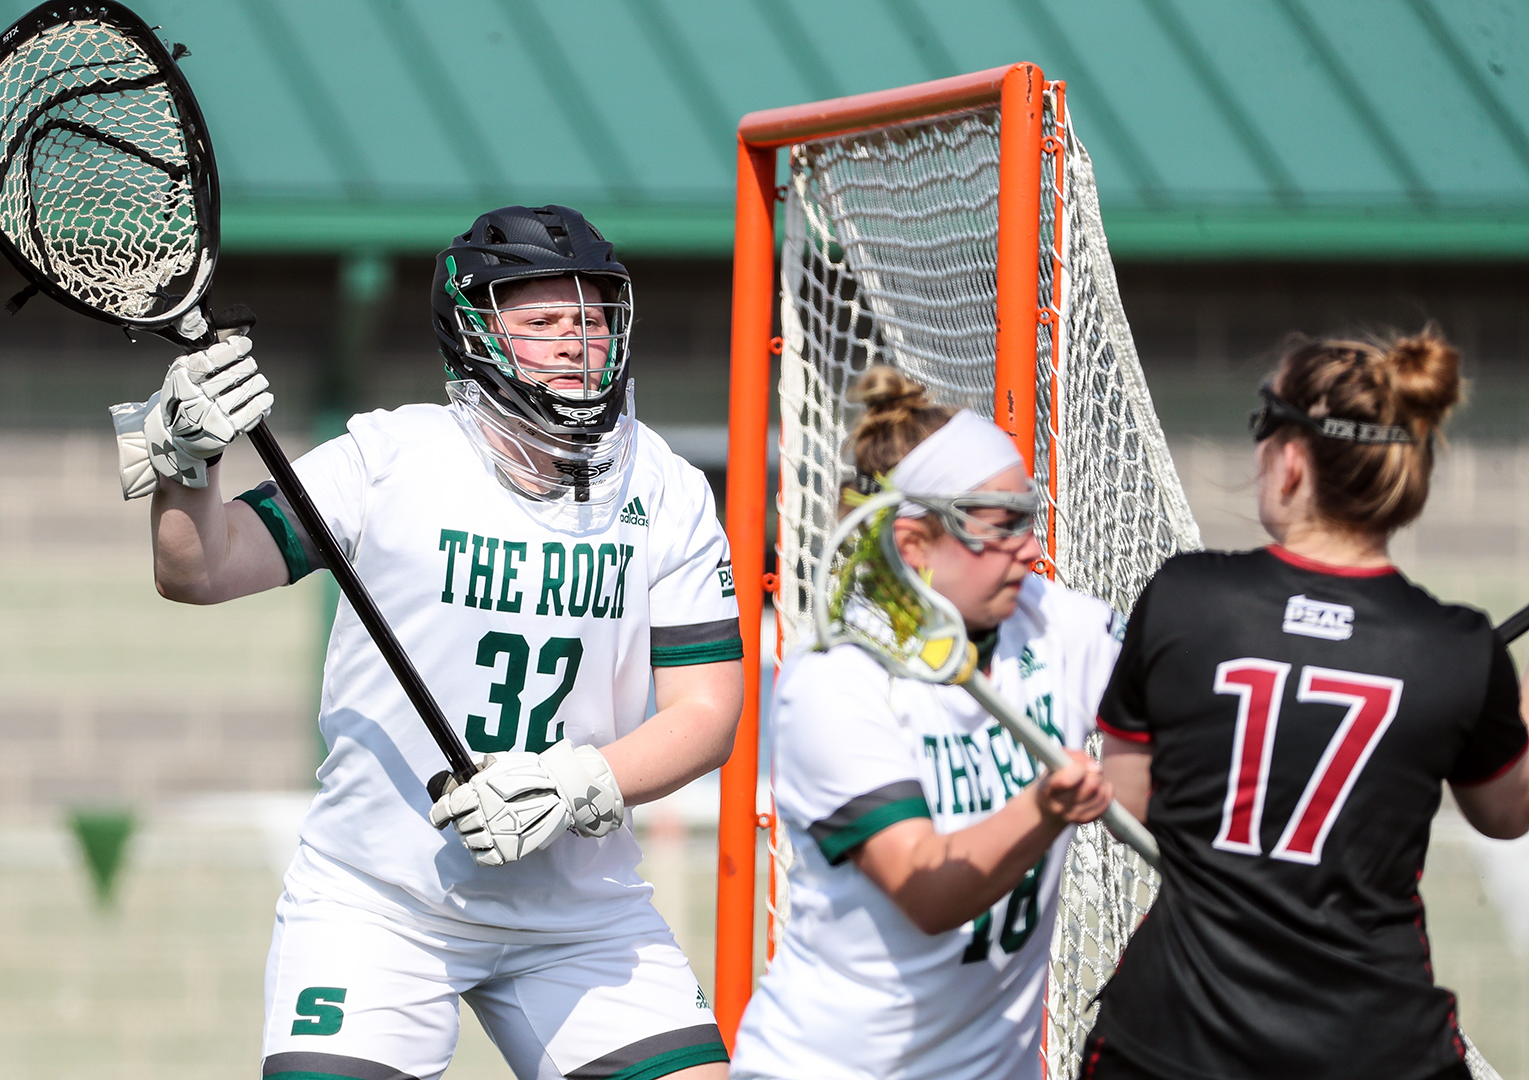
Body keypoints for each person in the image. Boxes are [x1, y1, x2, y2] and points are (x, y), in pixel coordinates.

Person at [121, 206, 742, 1080]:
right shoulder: (388, 456)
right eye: (542, 321)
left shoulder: (667, 487)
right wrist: (189, 468)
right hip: (382, 903)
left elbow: (709, 711)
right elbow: (199, 569)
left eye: (592, 317)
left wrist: (578, 784)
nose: (576, 341)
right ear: (476, 333)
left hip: (579, 910)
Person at [1083, 330, 1529, 1080]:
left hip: (1172, 1040)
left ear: (1292, 461)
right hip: (1372, 1049)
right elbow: (1508, 813)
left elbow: (1127, 798)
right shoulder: (1457, 648)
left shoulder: (1186, 598)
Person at [730, 368, 1118, 1080]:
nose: (1030, 550)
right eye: (1001, 525)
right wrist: (1044, 808)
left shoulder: (1053, 624)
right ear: (912, 545)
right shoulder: (838, 684)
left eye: (1027, 518)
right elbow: (926, 893)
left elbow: (1174, 717)